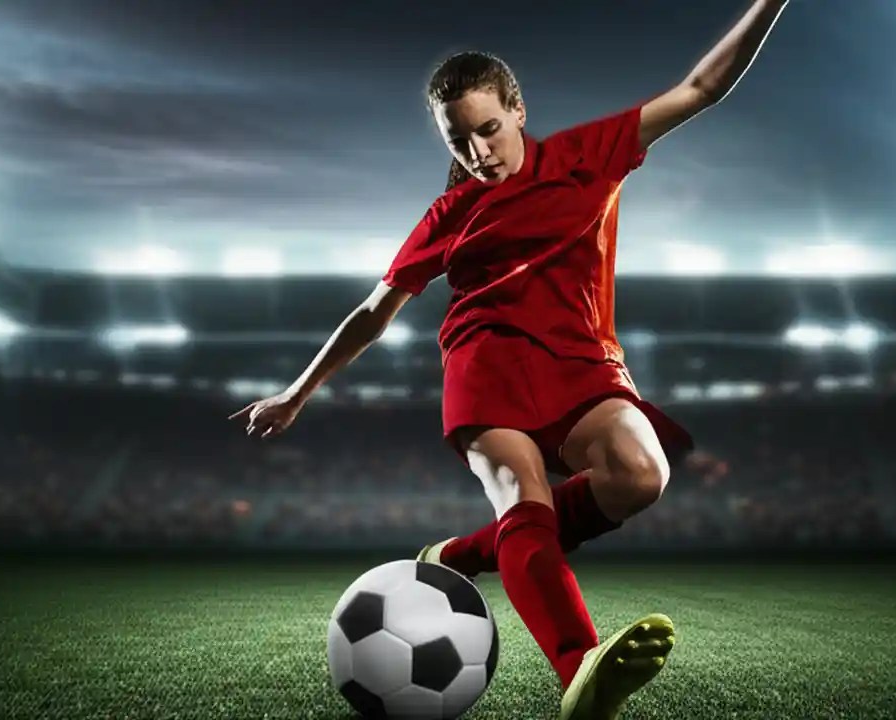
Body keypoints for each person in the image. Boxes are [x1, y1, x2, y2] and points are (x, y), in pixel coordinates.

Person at [232, 2, 790, 717]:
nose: (479, 152)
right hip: (484, 364)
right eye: (459, 140)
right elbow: (374, 313)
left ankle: (464, 554)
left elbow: (702, 87)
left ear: (518, 111)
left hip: (580, 361)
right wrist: (297, 392)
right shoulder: (449, 216)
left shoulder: (588, 155)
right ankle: (579, 669)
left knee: (641, 473)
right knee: (523, 499)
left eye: (489, 129)